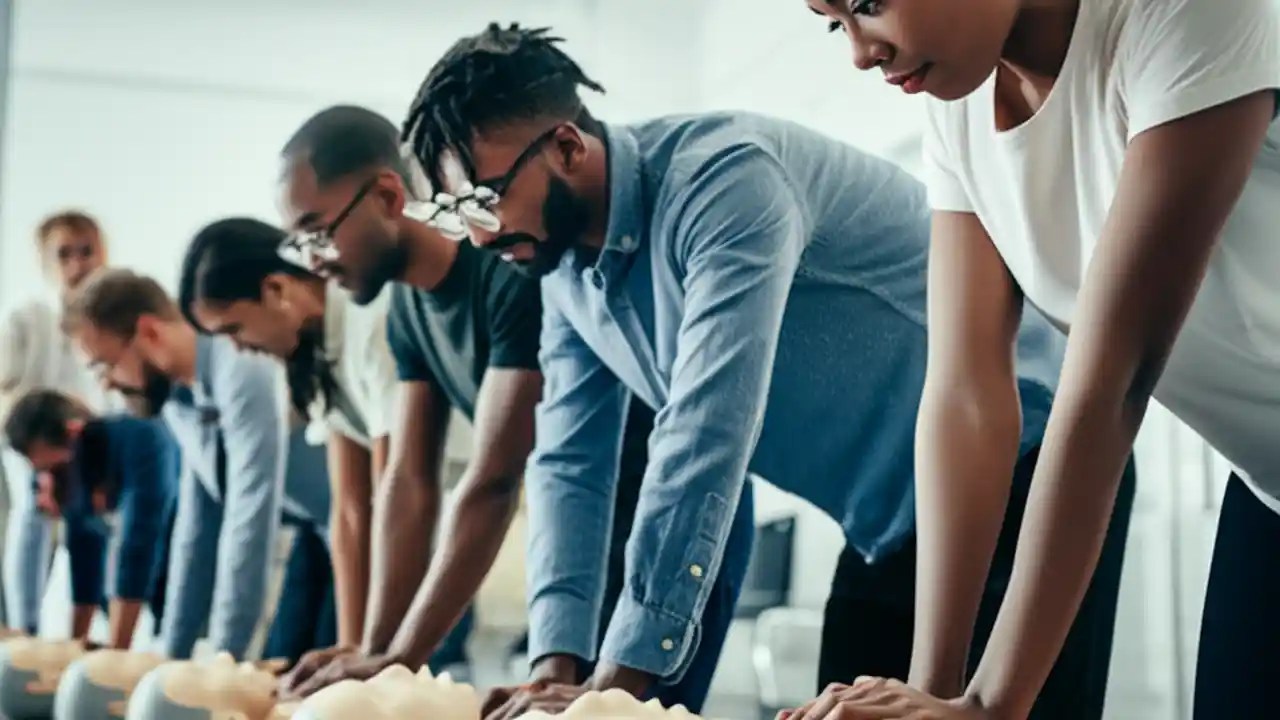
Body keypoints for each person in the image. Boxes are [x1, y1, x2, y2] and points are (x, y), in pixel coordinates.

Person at [402, 22, 1132, 720]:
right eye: (458, 211)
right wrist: (555, 669)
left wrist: (614, 689)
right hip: (888, 526)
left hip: (1027, 462)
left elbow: (706, 430)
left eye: (486, 200)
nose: (478, 237)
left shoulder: (724, 178)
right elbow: (569, 464)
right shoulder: (562, 269)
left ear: (566, 146)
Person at [798, 0, 1280, 718]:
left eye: (869, 4)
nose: (861, 53)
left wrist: (991, 704)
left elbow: (1113, 380)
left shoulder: (1186, 13)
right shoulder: (956, 111)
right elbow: (966, 395)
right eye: (834, 21)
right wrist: (929, 690)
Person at [270, 105, 658, 704]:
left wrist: (398, 661)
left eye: (318, 232)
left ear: (387, 196)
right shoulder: (407, 310)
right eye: (301, 245)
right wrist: (370, 649)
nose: (315, 261)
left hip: (651, 535)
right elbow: (408, 481)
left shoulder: (506, 270)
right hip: (575, 543)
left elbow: (492, 481)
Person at [61, 267, 329, 662]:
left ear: (149, 332)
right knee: (288, 665)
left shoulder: (239, 365)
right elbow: (196, 529)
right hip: (316, 533)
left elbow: (248, 520)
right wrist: (173, 658)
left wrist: (220, 663)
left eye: (105, 365)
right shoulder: (177, 400)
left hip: (365, 531)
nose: (106, 384)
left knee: (335, 680)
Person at [177, 217, 398, 660]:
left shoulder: (371, 322)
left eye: (234, 329)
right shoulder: (314, 359)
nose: (238, 349)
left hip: (435, 529)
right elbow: (350, 510)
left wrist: (376, 653)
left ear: (276, 290)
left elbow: (395, 496)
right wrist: (351, 648)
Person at [0, 211, 119, 636]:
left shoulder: (111, 321)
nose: (77, 264)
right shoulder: (26, 318)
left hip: (87, 444)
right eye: (64, 254)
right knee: (33, 512)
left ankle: (92, 634)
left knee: (92, 524)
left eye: (87, 252)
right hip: (31, 441)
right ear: (46, 262)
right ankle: (24, 632)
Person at [2, 389, 178, 648]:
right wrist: (75, 649)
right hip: (158, 578)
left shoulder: (142, 438)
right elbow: (85, 564)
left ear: (72, 432)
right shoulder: (75, 474)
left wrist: (114, 654)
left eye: (48, 470)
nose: (39, 493)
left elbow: (136, 545)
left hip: (189, 560)